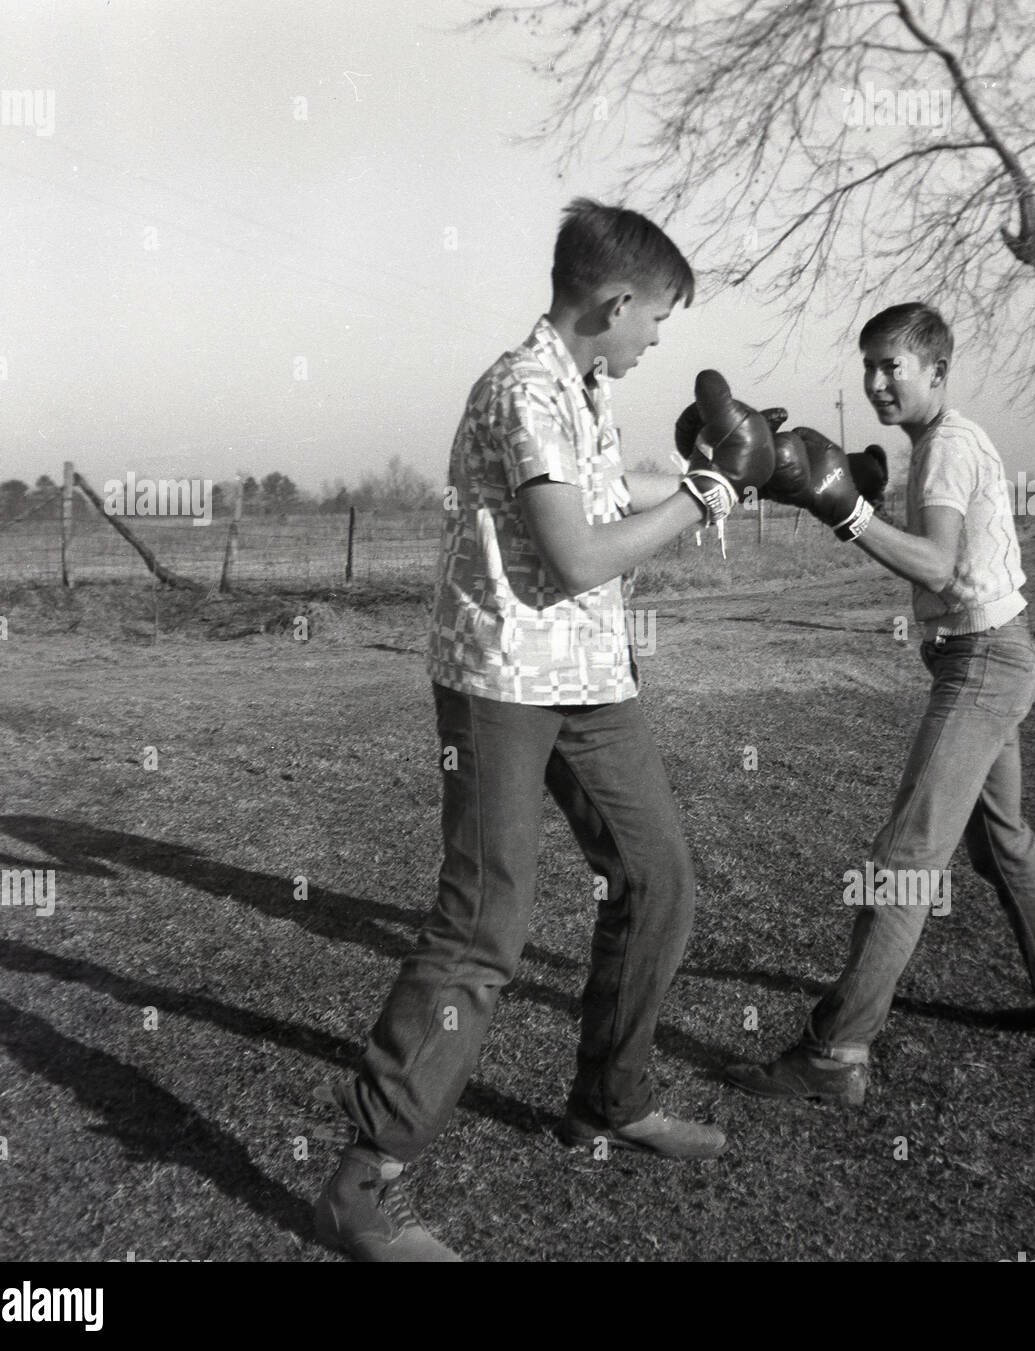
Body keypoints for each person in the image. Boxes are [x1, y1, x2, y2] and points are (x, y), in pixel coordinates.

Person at [315, 198, 775, 1261]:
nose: (658, 340)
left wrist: (695, 478)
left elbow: (595, 539)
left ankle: (608, 1101)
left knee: (658, 876)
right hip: (501, 686)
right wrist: (701, 498)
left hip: (587, 678)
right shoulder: (523, 389)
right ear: (614, 302)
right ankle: (363, 1184)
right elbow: (574, 555)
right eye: (655, 318)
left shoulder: (583, 389)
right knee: (485, 923)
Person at [727, 301, 1035, 1109]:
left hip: (979, 665)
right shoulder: (953, 440)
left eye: (890, 367)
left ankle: (836, 1051)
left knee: (905, 861)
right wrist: (805, 476)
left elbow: (936, 565)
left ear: (936, 371)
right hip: (995, 656)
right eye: (867, 365)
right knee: (1003, 844)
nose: (874, 382)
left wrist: (848, 509)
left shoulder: (942, 451)